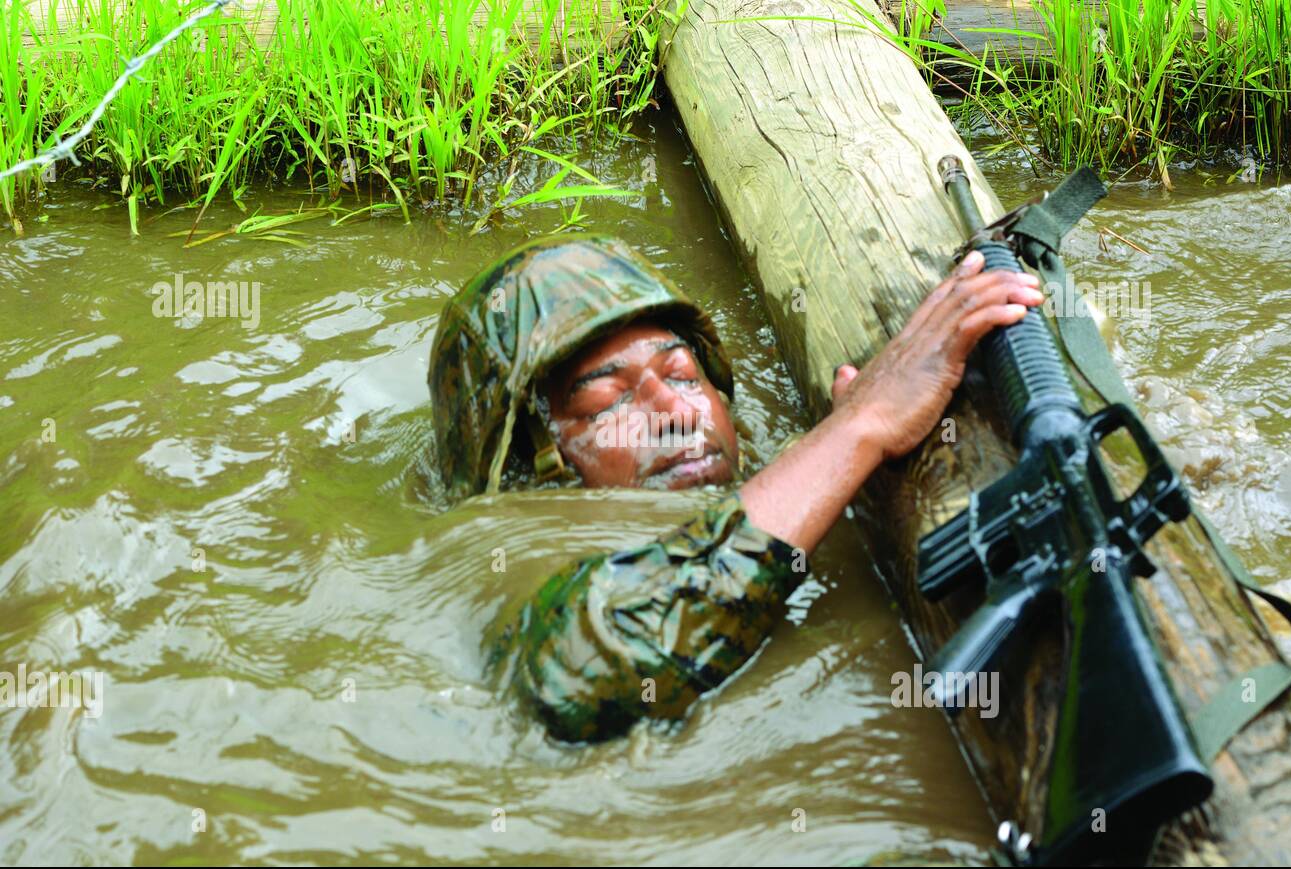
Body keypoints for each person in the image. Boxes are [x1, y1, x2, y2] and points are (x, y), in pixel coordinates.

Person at [427, 234, 1043, 743]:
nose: (676, 411)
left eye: (684, 376)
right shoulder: (507, 565)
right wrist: (861, 427)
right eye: (607, 401)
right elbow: (585, 672)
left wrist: (853, 462)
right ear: (525, 469)